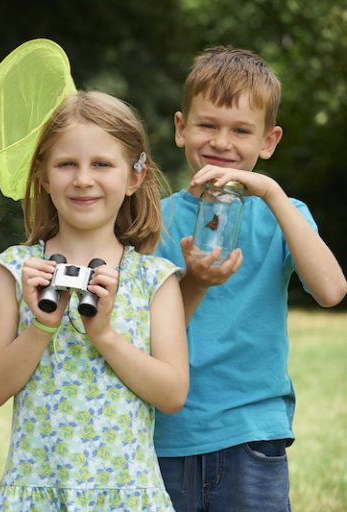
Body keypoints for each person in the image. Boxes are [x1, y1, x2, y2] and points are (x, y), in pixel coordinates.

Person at [154, 46, 347, 511]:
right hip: (167, 435)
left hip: (253, 434)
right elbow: (144, 329)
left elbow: (330, 290)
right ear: (181, 129)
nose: (222, 142)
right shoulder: (153, 221)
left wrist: (272, 193)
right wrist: (194, 281)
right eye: (208, 125)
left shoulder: (285, 216)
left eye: (241, 131)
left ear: (268, 141)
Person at [0, 91, 189, 511]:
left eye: (102, 165)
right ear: (42, 174)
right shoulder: (14, 270)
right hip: (37, 493)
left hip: (127, 495)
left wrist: (104, 334)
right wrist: (41, 326)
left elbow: (172, 394)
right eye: (67, 164)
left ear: (134, 176)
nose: (83, 179)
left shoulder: (154, 279)